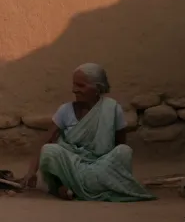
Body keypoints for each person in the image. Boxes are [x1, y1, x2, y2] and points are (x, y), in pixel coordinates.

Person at [20, 63, 156, 202]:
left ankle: (74, 189)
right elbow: (45, 141)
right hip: (72, 166)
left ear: (97, 88)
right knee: (49, 150)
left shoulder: (112, 109)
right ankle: (93, 186)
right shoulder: (65, 110)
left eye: (81, 86)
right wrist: (31, 172)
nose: (74, 90)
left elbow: (119, 143)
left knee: (124, 151)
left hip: (101, 164)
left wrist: (107, 162)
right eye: (74, 85)